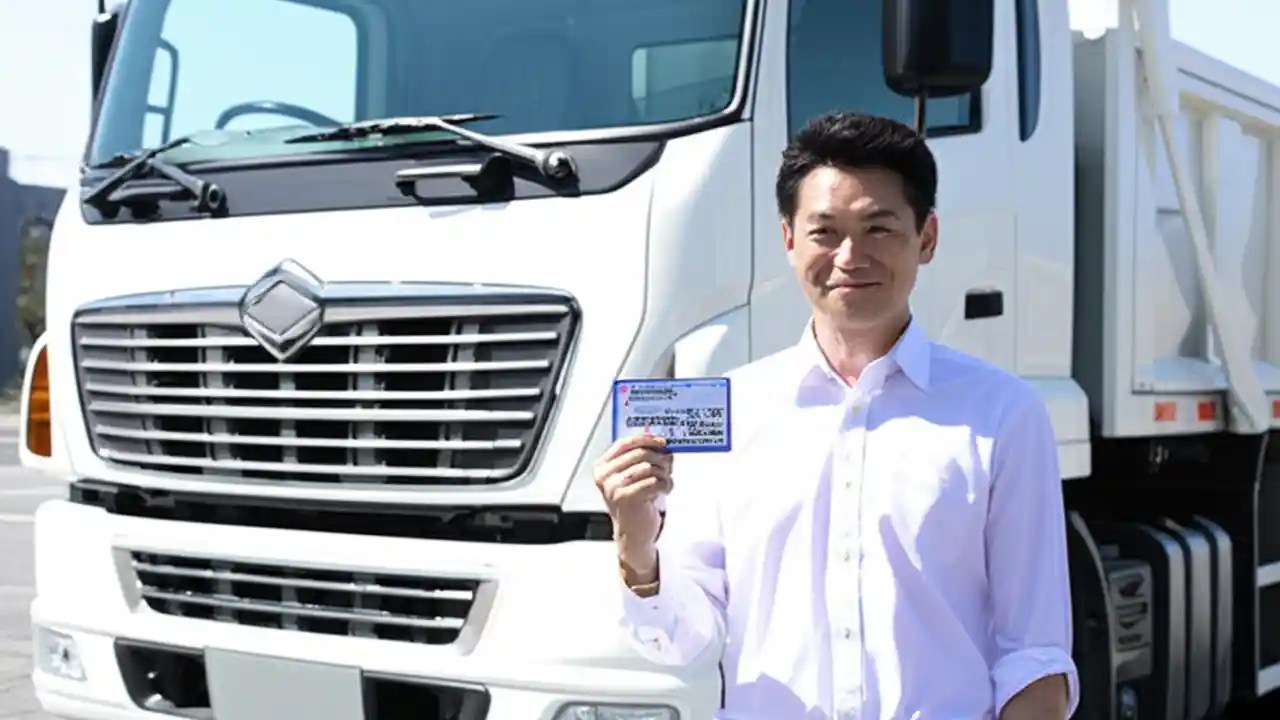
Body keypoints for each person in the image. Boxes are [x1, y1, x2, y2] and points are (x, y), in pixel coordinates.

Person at [594, 111, 1079, 720]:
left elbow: (1033, 653)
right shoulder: (734, 410)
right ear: (789, 240)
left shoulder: (1003, 414)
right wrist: (638, 552)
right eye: (825, 232)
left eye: (880, 228)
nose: (851, 256)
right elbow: (688, 639)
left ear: (926, 238)